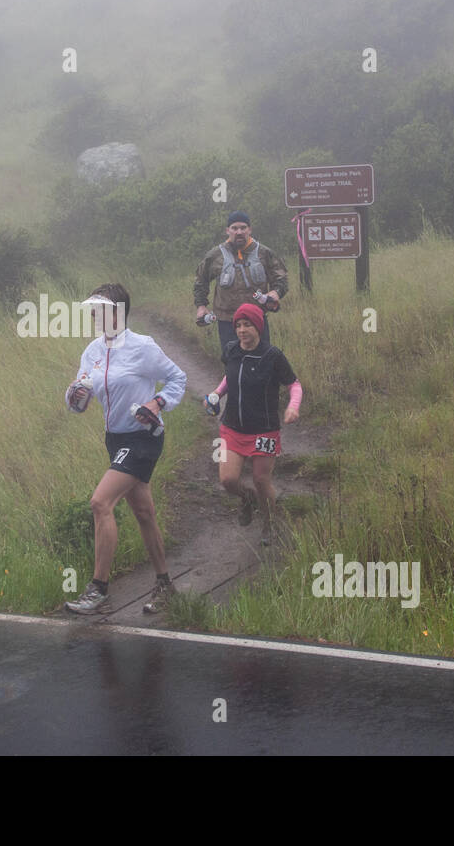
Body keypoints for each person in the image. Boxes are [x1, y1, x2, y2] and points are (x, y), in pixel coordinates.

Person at [63, 284, 187, 616]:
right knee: (144, 513)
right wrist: (76, 394)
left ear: (116, 312)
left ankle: (98, 588)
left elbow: (177, 378)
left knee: (100, 502)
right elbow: (79, 403)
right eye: (91, 309)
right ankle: (165, 585)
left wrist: (157, 402)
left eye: (98, 309)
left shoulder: (142, 347)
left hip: (143, 437)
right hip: (115, 440)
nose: (92, 315)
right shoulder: (91, 351)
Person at [205, 303, 302, 546]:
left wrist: (293, 406)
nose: (241, 329)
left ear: (258, 326)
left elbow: (294, 384)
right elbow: (230, 376)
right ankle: (247, 499)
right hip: (233, 427)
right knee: (228, 480)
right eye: (238, 325)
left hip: (264, 430)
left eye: (247, 324)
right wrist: (216, 393)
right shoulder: (230, 350)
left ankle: (269, 524)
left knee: (261, 480)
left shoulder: (273, 356)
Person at [194, 210, 290, 354]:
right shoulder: (215, 255)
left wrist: (276, 292)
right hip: (227, 321)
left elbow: (281, 277)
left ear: (249, 230)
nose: (239, 232)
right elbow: (201, 281)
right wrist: (201, 306)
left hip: (257, 319)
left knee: (261, 361)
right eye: (234, 228)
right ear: (228, 231)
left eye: (243, 228)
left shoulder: (264, 253)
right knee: (232, 362)